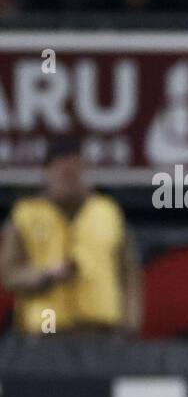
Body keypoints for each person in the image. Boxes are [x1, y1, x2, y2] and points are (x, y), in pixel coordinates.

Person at [0, 135, 142, 336]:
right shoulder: (26, 215)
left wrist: (130, 322)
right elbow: (8, 274)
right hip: (47, 325)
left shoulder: (108, 212)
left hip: (100, 328)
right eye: (64, 174)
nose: (71, 181)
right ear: (48, 173)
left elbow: (129, 274)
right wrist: (45, 275)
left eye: (77, 172)